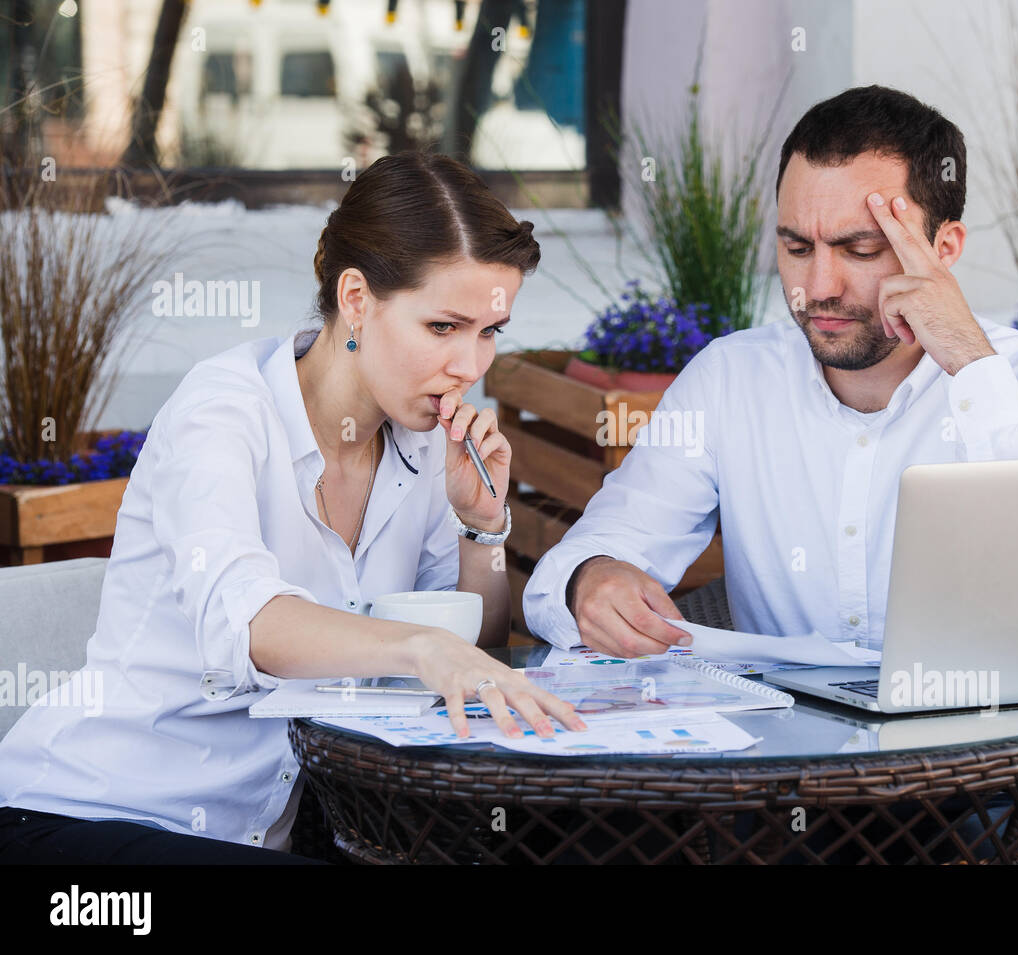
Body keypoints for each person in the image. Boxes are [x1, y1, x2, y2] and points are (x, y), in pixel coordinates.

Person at [0, 149, 585, 864]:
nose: (469, 366)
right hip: (80, 820)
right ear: (356, 299)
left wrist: (481, 526)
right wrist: (421, 648)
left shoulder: (426, 443)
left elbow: (474, 652)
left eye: (489, 332)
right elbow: (252, 624)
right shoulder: (221, 414)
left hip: (262, 838)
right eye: (443, 327)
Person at [524, 85, 1018, 659]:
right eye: (798, 248)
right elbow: (595, 552)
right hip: (780, 724)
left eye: (861, 250)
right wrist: (592, 579)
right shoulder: (730, 379)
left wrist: (969, 361)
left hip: (993, 721)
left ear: (945, 249)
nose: (820, 287)